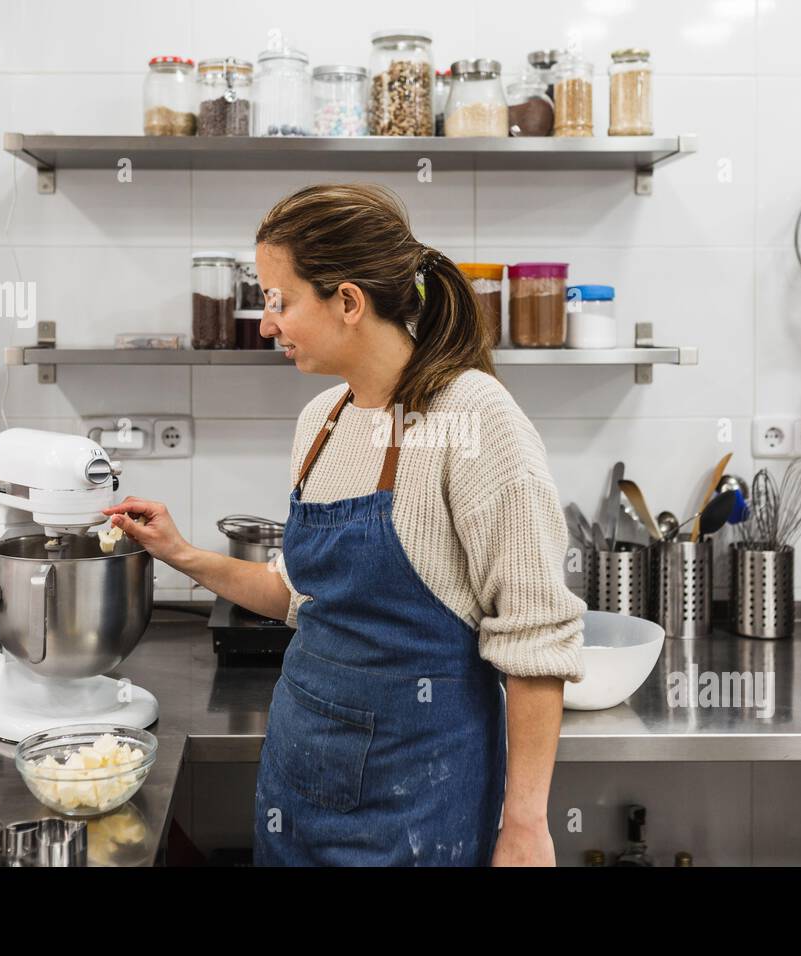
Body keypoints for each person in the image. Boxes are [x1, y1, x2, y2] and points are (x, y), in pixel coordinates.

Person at [105, 183, 585, 866]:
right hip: (298, 788)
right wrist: (179, 553)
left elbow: (537, 641)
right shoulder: (322, 420)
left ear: (349, 302)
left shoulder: (475, 418)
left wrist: (526, 826)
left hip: (420, 806)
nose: (266, 322)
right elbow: (302, 598)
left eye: (280, 299)